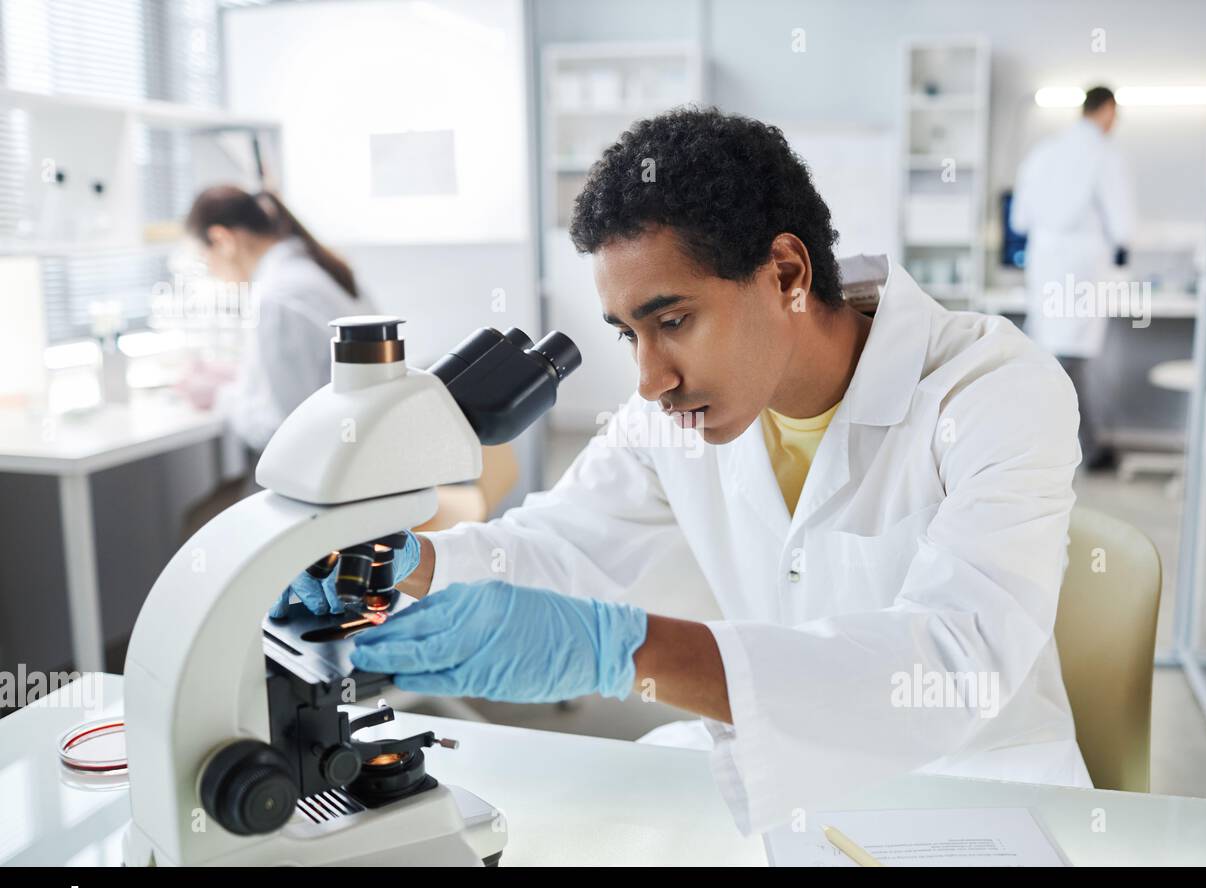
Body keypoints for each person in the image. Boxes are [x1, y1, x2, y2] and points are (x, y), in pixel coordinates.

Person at [299, 108, 1093, 837]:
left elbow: (955, 661)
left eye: (673, 321)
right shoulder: (670, 417)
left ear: (786, 274)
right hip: (781, 770)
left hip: (974, 789)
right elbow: (559, 546)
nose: (650, 379)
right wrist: (406, 565)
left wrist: (631, 651)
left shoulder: (996, 390)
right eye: (626, 335)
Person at [186, 185, 376, 454]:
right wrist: (242, 378)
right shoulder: (313, 269)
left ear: (222, 240)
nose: (211, 271)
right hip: (360, 450)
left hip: (333, 463)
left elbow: (282, 430)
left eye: (204, 259)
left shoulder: (276, 297)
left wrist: (220, 397)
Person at [1011, 86, 1135, 469]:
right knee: (1070, 361)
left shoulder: (1043, 153)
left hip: (1044, 261)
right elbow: (1124, 224)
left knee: (1048, 354)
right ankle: (1077, 449)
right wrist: (1122, 249)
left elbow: (1019, 219)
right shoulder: (1103, 153)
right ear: (1107, 109)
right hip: (1080, 264)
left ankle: (1046, 446)